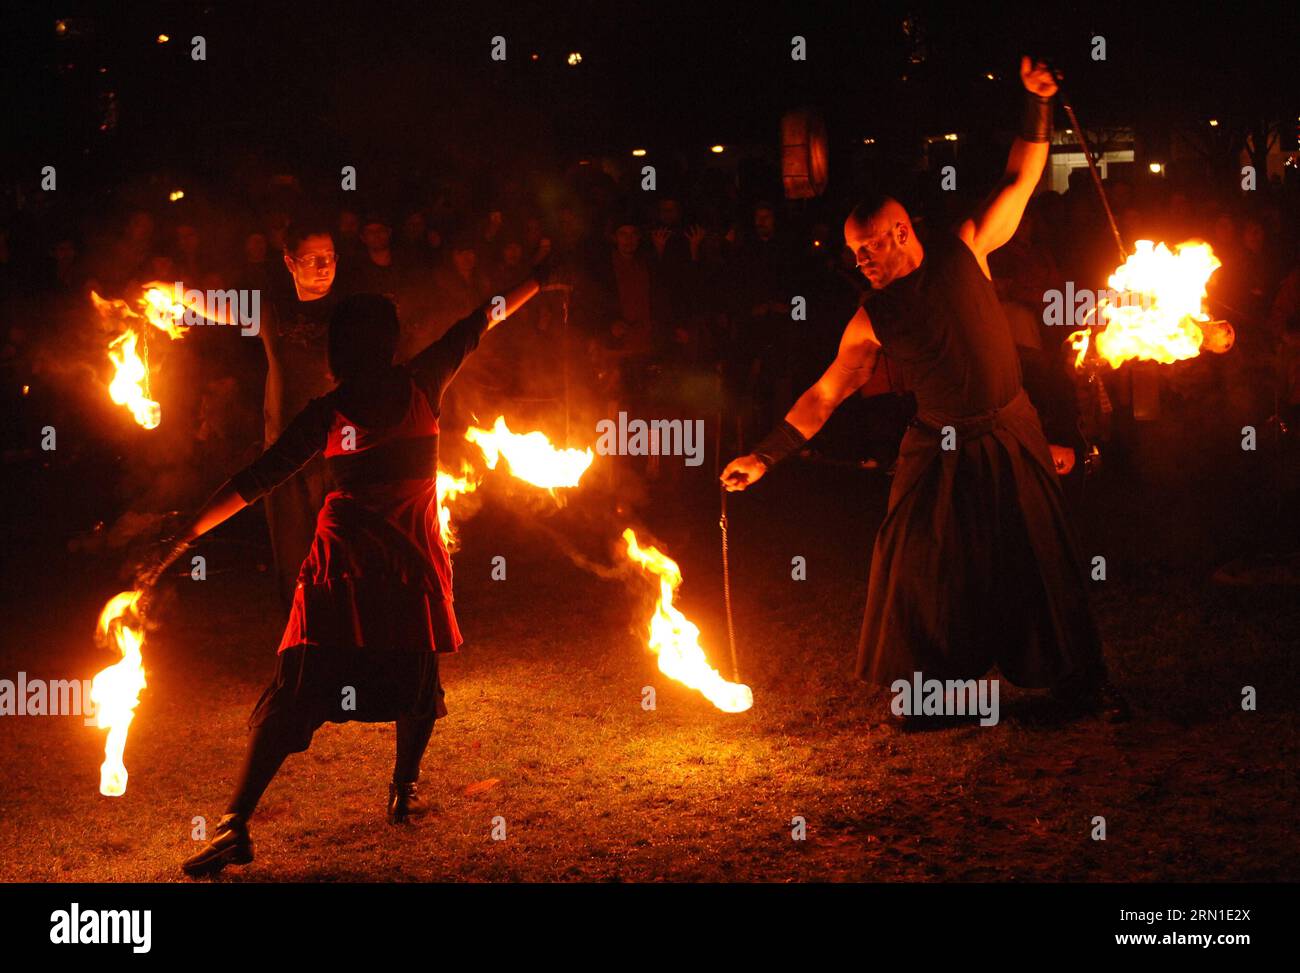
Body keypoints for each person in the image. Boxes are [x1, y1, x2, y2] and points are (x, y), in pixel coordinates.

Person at [721, 58, 1128, 724]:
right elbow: (825, 393)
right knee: (920, 566)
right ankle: (936, 695)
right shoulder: (871, 318)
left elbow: (1021, 179)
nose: (860, 262)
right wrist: (766, 453)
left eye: (869, 249)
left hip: (1010, 431)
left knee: (1037, 556)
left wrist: (1035, 103)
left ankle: (1077, 680)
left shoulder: (966, 249)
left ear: (902, 233)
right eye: (854, 253)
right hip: (939, 450)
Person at [139, 273, 556, 877]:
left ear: (337, 351)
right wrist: (536, 281)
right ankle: (403, 790)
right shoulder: (421, 382)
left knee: (298, 690)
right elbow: (480, 320)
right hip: (407, 561)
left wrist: (187, 533)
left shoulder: (328, 411)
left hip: (343, 567)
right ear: (389, 342)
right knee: (414, 676)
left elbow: (258, 479)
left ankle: (235, 821)